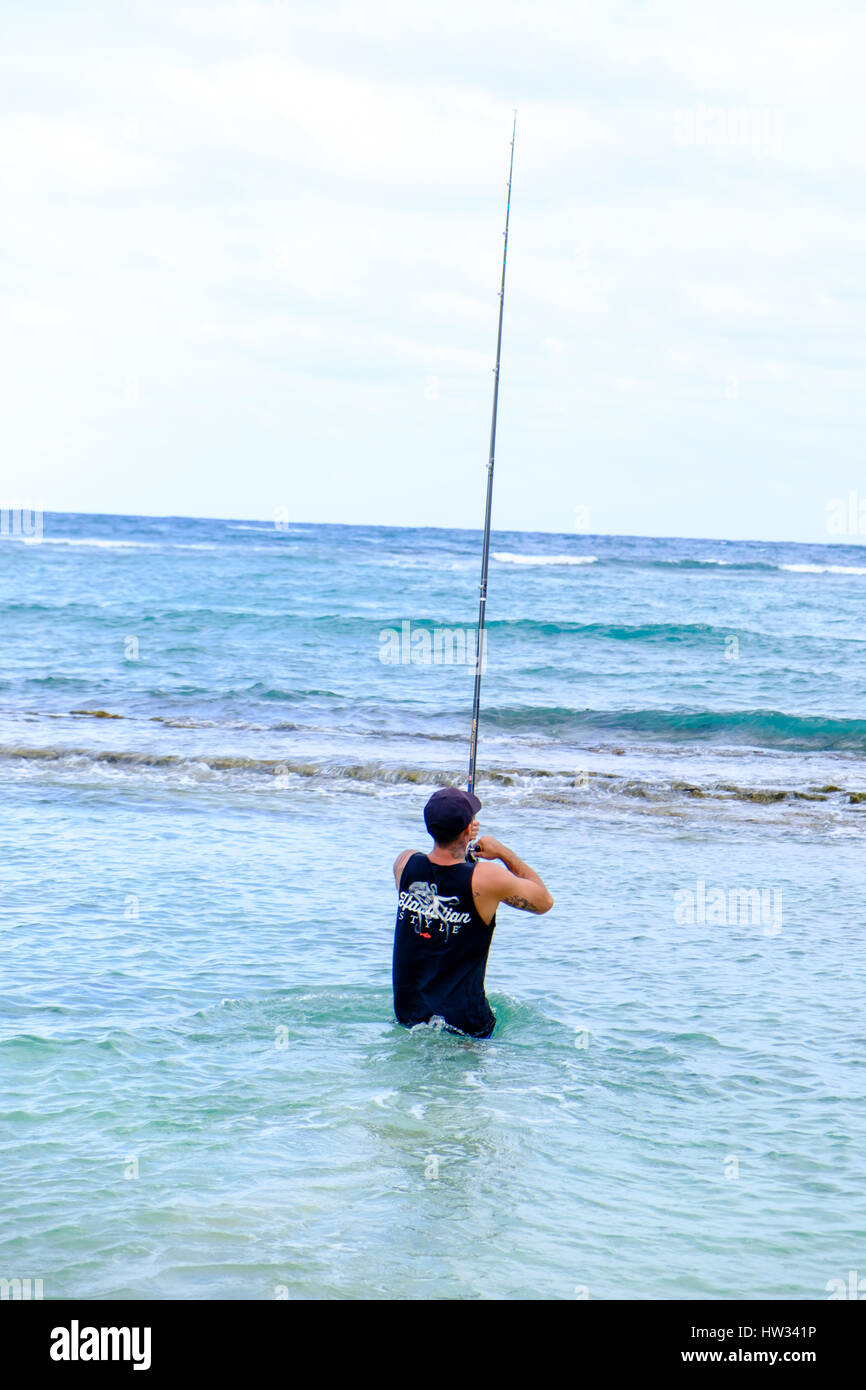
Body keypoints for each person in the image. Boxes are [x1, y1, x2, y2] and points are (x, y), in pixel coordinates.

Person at [392, 785, 554, 1039]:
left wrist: (463, 842)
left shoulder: (404, 864)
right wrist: (501, 852)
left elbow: (444, 871)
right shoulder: (486, 878)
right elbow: (544, 901)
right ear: (468, 829)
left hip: (409, 1016)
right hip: (465, 1026)